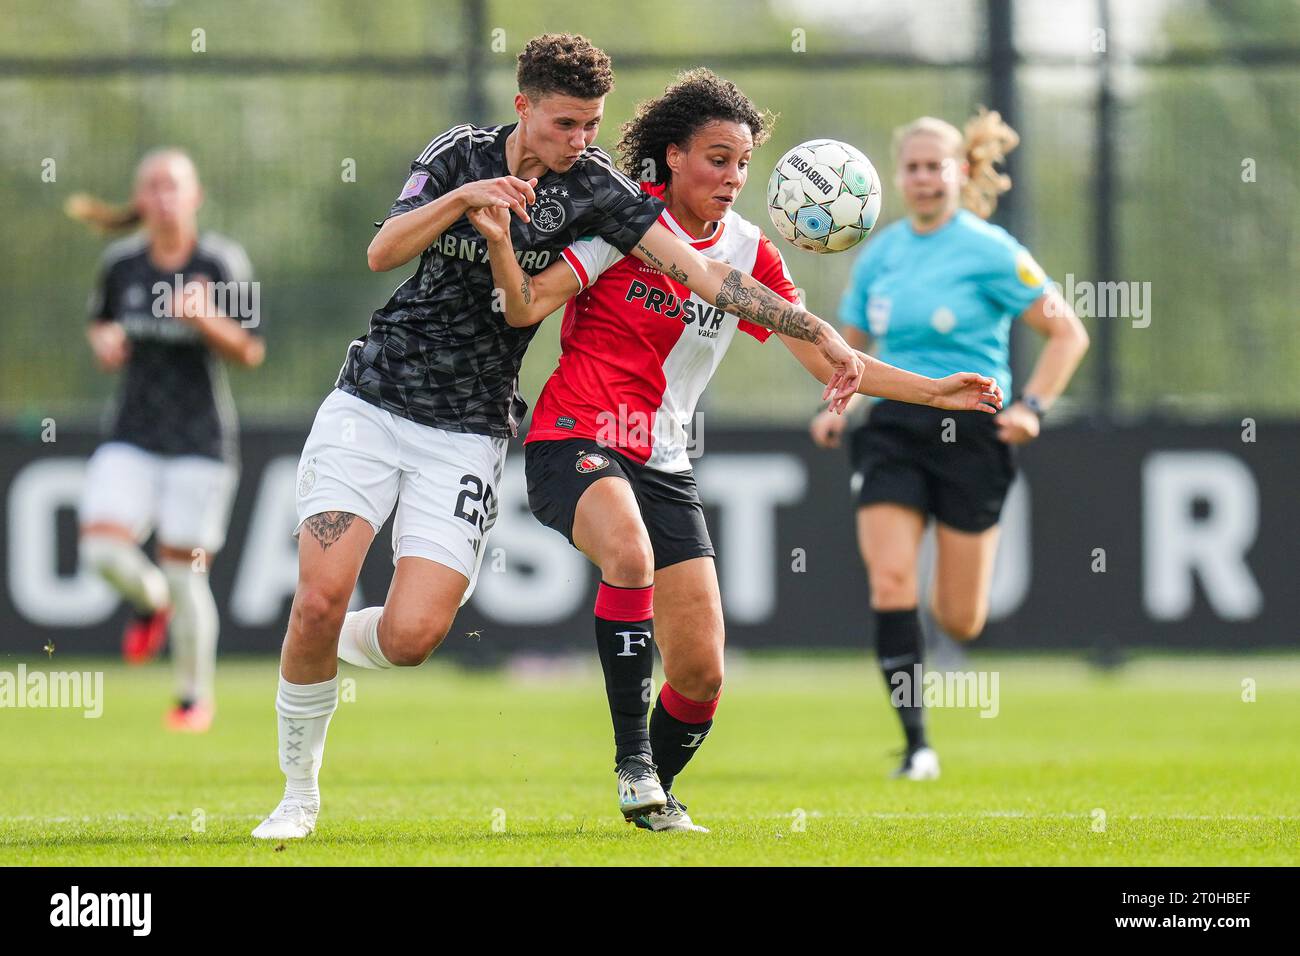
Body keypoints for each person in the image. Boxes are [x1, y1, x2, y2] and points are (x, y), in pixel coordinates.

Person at [256, 34, 867, 840]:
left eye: (592, 124)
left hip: (470, 428)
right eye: (566, 123)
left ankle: (332, 645)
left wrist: (814, 329)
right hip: (371, 401)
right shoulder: (459, 154)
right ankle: (297, 794)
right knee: (319, 599)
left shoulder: (597, 192)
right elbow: (383, 251)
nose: (580, 140)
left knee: (410, 640)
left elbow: (704, 274)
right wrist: (465, 200)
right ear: (523, 108)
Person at [465, 70, 1002, 831]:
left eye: (743, 163)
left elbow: (831, 359)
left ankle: (653, 795)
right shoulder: (626, 223)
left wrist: (934, 391)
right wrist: (495, 249)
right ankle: (634, 767)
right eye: (716, 158)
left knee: (701, 674)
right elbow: (527, 302)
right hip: (573, 441)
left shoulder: (752, 252)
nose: (732, 177)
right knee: (628, 554)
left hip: (666, 464)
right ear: (674, 155)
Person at [810, 110, 1090, 779]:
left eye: (936, 166)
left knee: (960, 618)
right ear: (897, 177)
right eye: (913, 167)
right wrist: (833, 409)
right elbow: (845, 352)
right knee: (891, 579)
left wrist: (1031, 407)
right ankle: (917, 746)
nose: (925, 178)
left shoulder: (991, 250)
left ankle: (944, 660)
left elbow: (1068, 333)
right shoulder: (878, 254)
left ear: (961, 172)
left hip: (972, 431)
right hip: (893, 430)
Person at [70, 148, 264, 733]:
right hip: (132, 434)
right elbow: (101, 320)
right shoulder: (122, 264)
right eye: (151, 187)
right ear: (140, 199)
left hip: (200, 442)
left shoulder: (220, 262)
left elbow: (251, 350)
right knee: (100, 550)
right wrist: (103, 339)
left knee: (188, 573)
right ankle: (150, 602)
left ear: (195, 196)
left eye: (172, 186)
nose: (162, 197)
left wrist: (206, 320)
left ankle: (190, 699)